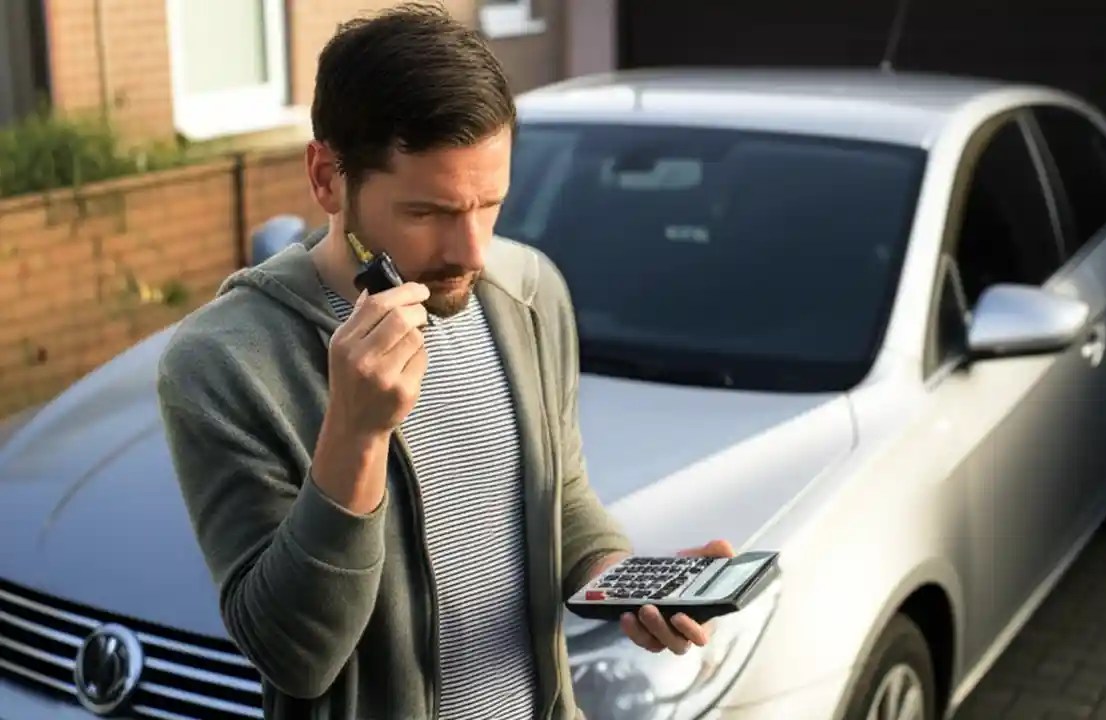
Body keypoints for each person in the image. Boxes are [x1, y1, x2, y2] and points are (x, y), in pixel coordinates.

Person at [154, 3, 732, 719]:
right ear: (327, 177)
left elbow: (562, 498)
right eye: (427, 213)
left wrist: (619, 580)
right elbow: (295, 659)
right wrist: (355, 436)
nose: (470, 252)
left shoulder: (528, 292)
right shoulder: (221, 364)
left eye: (490, 204)